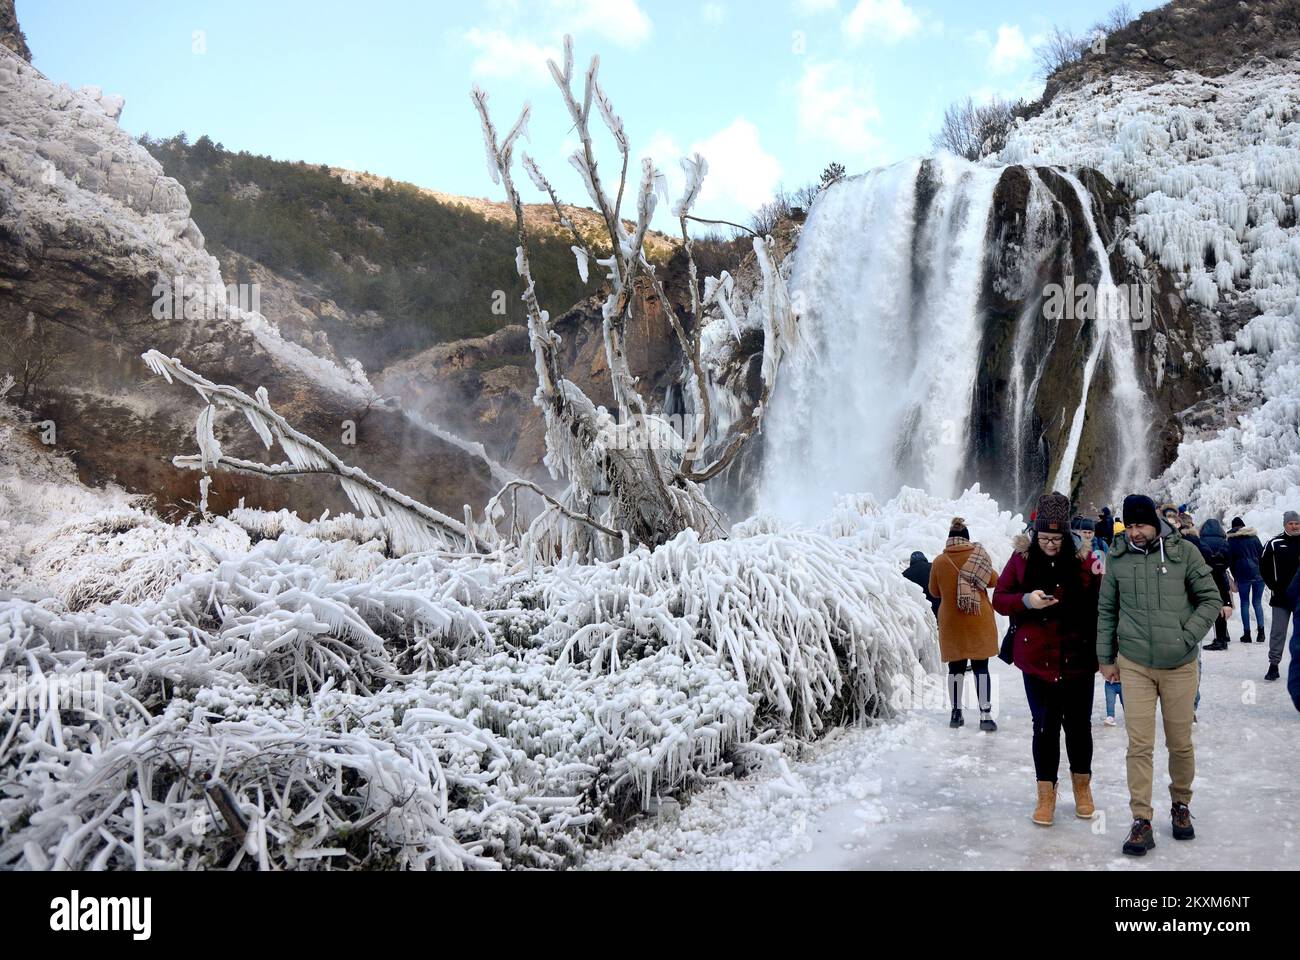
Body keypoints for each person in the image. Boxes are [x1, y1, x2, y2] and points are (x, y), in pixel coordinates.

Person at [1097, 495, 1221, 857]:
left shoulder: (1185, 553)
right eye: (1130, 525)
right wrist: (1106, 658)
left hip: (1180, 664)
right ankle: (1141, 819)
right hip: (1134, 663)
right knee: (1139, 745)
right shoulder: (1117, 558)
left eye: (1141, 525)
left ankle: (1181, 804)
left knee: (1180, 743)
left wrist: (1186, 636)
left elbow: (1211, 598)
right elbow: (1106, 609)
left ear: (1155, 523)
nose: (1135, 532)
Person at [994, 492, 1099, 826]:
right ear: (1034, 534)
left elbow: (1104, 601)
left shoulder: (1086, 560)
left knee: (1080, 727)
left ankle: (1083, 790)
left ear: (1067, 535)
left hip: (1079, 656)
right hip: (1037, 661)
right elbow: (999, 597)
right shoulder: (1021, 559)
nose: (1050, 545)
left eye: (1056, 538)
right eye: (1044, 538)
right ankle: (1046, 795)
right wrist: (1026, 601)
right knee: (1044, 728)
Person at [928, 518, 999, 732]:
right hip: (978, 619)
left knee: (955, 669)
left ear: (949, 539)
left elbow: (934, 591)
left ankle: (956, 713)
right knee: (981, 667)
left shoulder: (940, 561)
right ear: (967, 539)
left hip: (952, 623)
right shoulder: (978, 556)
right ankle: (985, 715)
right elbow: (994, 581)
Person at [1260, 510, 1300, 682]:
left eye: (1297, 523)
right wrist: (1273, 586)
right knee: (1278, 632)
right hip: (1281, 598)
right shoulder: (1274, 543)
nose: (1294, 526)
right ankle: (1274, 665)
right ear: (1285, 525)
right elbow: (1263, 566)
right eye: (1291, 523)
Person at [1197, 519, 1235, 652]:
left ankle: (1215, 639)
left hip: (1206, 577)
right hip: (1222, 577)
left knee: (1205, 605)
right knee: (1223, 606)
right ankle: (1222, 638)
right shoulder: (1225, 542)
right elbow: (1230, 559)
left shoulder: (1201, 542)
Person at [1228, 517, 1267, 643]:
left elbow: (1231, 561)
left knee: (1244, 603)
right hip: (1259, 574)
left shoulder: (1232, 541)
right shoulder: (1254, 537)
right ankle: (1261, 633)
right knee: (1257, 602)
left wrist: (1235, 576)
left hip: (1242, 575)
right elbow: (1262, 554)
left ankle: (1247, 634)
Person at [903, 550, 941, 617]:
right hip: (938, 603)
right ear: (924, 558)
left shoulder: (905, 574)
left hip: (921, 610)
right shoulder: (935, 567)